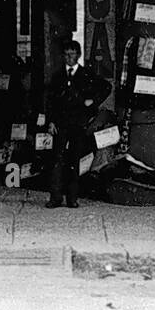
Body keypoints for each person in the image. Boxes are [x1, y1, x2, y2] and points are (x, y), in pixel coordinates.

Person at [45, 38, 112, 208]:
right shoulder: (58, 76)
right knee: (57, 160)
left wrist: (93, 102)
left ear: (78, 55)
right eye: (66, 55)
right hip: (60, 123)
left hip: (78, 123)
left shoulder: (86, 74)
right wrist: (51, 121)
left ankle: (72, 198)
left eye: (72, 55)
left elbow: (106, 87)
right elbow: (51, 101)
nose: (69, 58)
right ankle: (55, 198)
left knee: (74, 160)